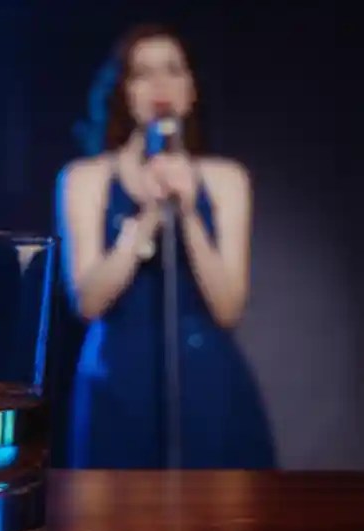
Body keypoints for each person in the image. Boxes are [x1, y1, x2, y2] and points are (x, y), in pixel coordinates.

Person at [57, 23, 276, 469]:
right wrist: (147, 218)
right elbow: (88, 300)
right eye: (143, 73)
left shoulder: (226, 179)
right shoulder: (85, 179)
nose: (160, 84)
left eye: (173, 70)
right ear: (123, 90)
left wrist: (189, 213)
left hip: (207, 380)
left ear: (191, 88)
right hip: (116, 381)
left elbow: (229, 307)